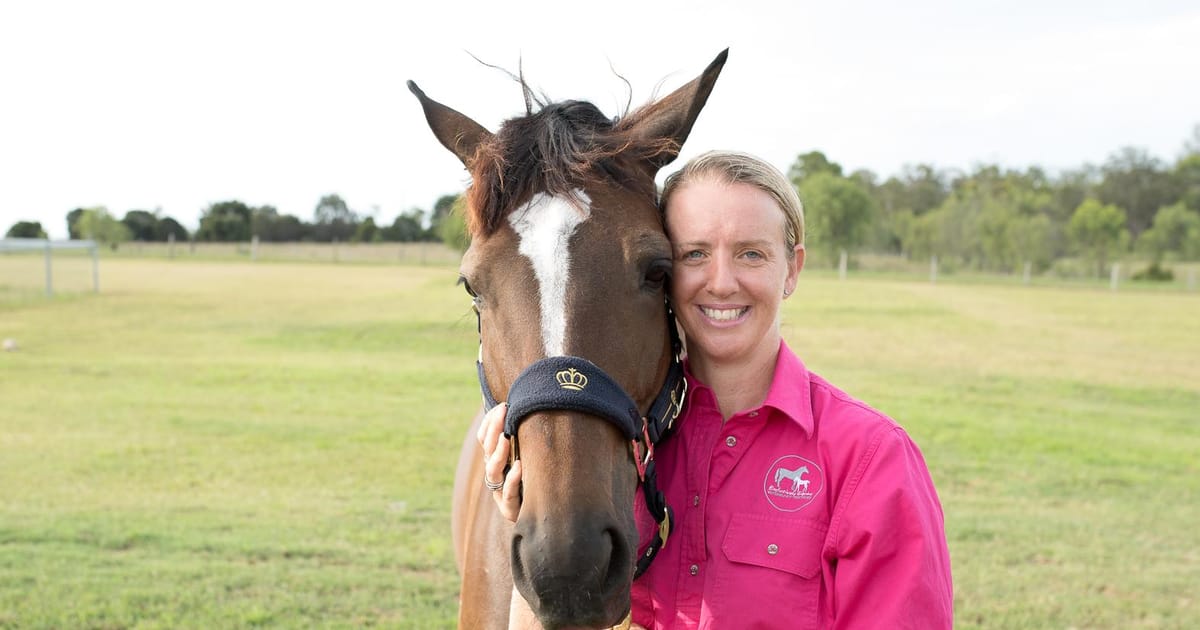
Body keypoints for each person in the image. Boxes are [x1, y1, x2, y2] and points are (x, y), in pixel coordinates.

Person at [478, 150, 953, 629]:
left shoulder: (871, 459)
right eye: (695, 254)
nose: (721, 283)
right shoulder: (615, 445)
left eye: (751, 253)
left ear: (791, 269)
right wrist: (528, 515)